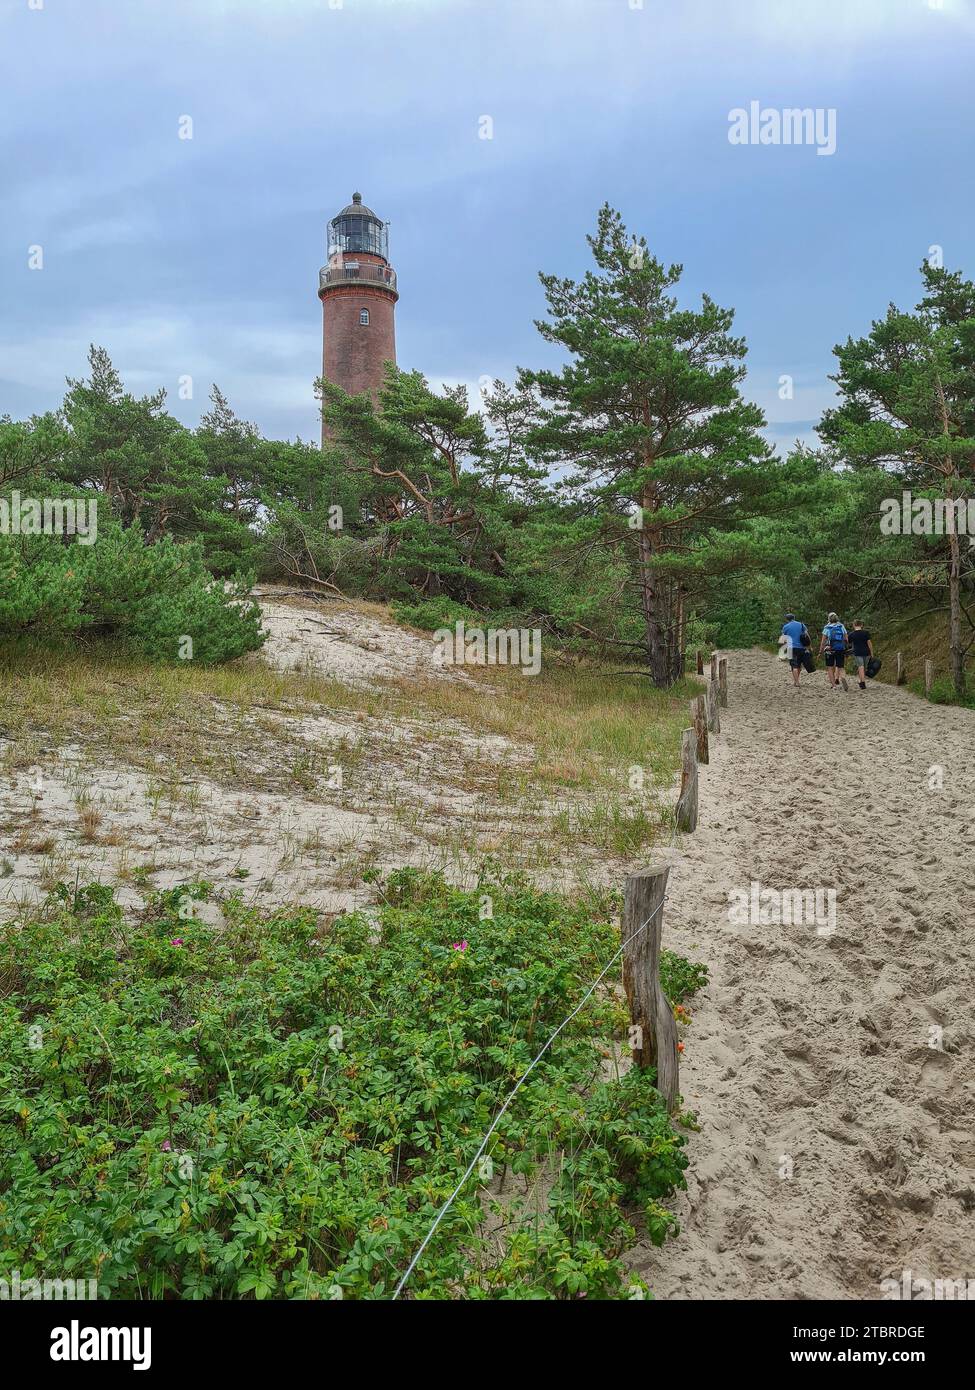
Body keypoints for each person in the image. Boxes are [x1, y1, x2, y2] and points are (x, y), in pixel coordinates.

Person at [819, 611, 849, 690]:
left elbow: (823, 641)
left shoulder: (827, 628)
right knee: (841, 666)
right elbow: (846, 638)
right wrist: (845, 647)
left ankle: (834, 685)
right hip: (840, 648)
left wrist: (820, 651)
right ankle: (842, 677)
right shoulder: (841, 626)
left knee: (830, 667)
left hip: (830, 649)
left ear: (829, 619)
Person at [780, 612, 811, 688]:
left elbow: (783, 639)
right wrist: (809, 646)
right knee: (799, 666)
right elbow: (807, 636)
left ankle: (796, 682)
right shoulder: (801, 625)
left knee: (794, 665)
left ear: (787, 619)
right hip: (802, 648)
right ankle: (795, 681)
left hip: (791, 648)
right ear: (794, 618)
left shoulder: (786, 627)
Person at [849, 619, 874, 690]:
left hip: (857, 652)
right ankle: (861, 681)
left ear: (854, 625)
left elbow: (848, 643)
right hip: (866, 652)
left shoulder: (851, 634)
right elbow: (869, 643)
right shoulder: (866, 633)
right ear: (861, 625)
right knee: (864, 667)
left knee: (860, 667)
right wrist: (872, 652)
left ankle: (862, 682)